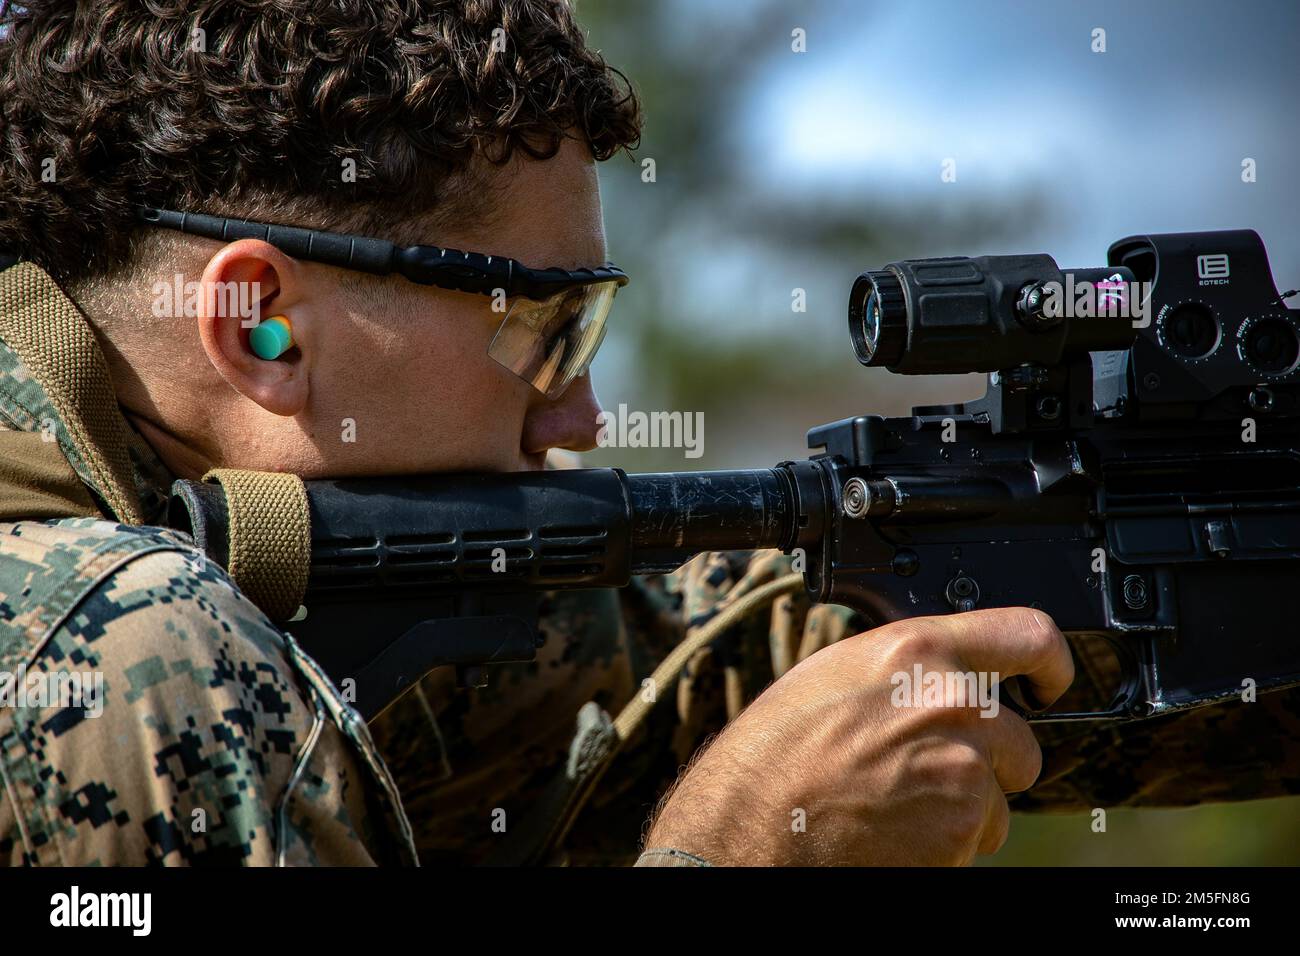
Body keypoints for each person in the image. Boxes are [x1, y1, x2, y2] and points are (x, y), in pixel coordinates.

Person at [0, 0, 1292, 868]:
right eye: (538, 327)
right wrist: (738, 843)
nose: (582, 412)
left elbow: (722, 640)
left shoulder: (263, 560)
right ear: (258, 322)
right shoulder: (116, 651)